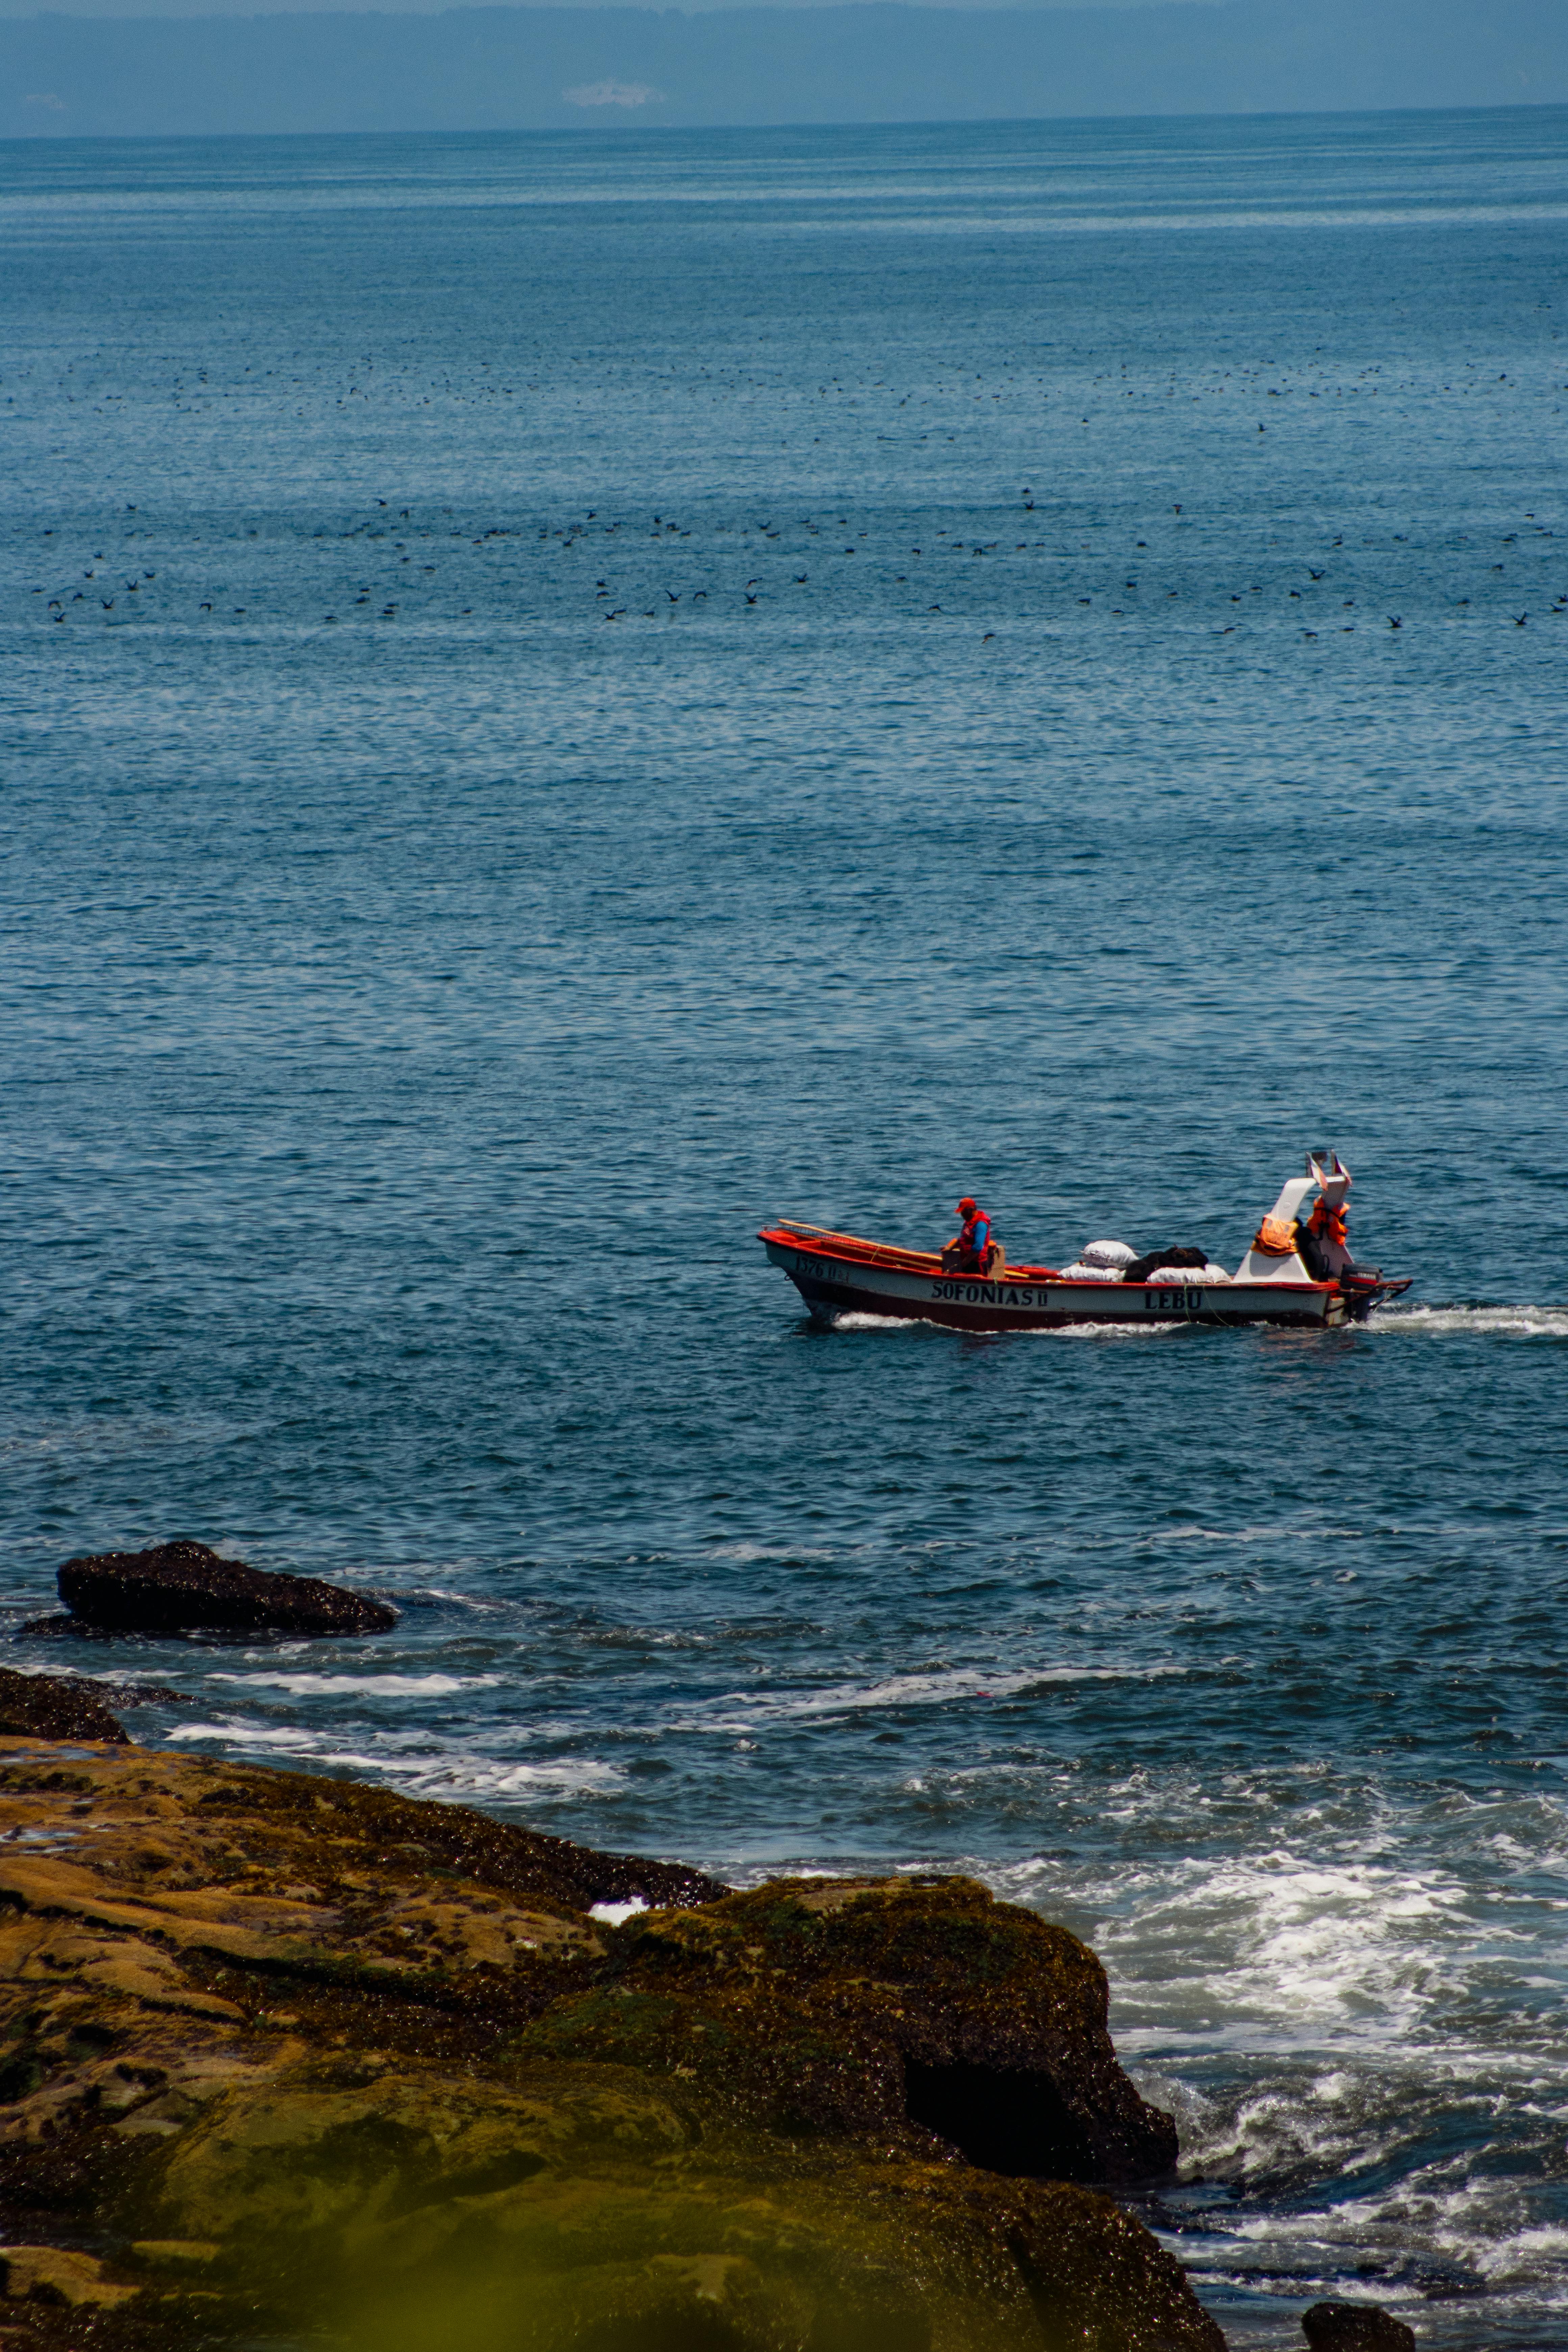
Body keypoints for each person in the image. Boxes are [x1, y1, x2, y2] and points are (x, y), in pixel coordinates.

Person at [944, 1197, 992, 1274]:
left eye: (963, 1212)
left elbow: (978, 1246)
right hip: (968, 1262)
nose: (962, 1215)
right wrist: (950, 1248)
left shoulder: (981, 1224)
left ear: (971, 1210)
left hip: (977, 1264)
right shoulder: (968, 1222)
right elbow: (964, 1240)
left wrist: (966, 1261)